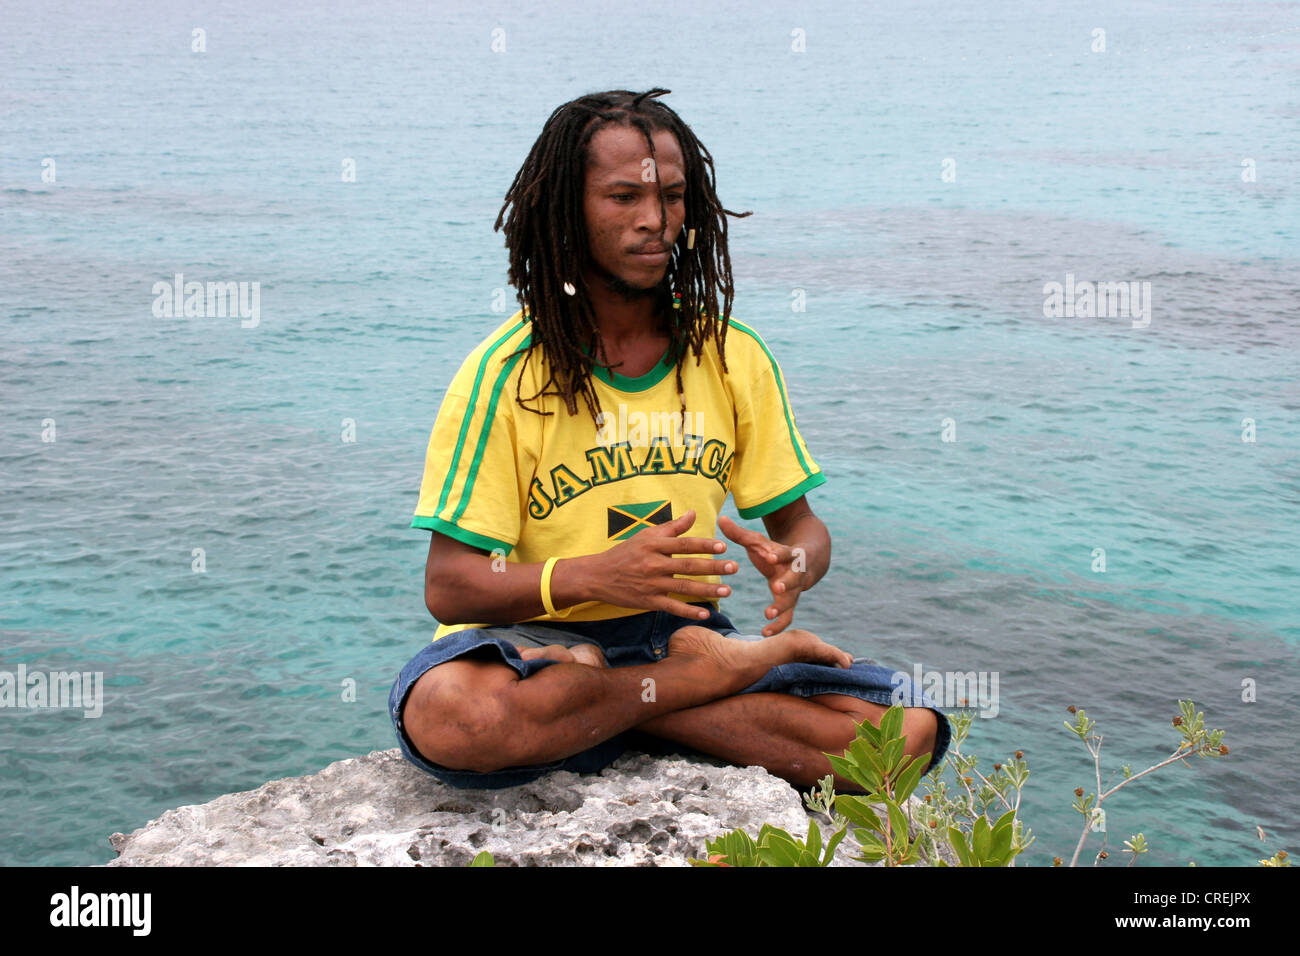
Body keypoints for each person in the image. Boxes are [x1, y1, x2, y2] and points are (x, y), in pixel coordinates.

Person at [389, 88, 950, 792]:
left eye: (674, 197)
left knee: (905, 737)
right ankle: (688, 685)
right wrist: (595, 577)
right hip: (538, 636)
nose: (655, 220)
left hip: (680, 631)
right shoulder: (506, 375)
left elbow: (802, 528)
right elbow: (449, 586)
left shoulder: (732, 355)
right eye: (624, 197)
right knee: (453, 716)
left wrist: (795, 565)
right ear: (567, 209)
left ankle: (609, 705)